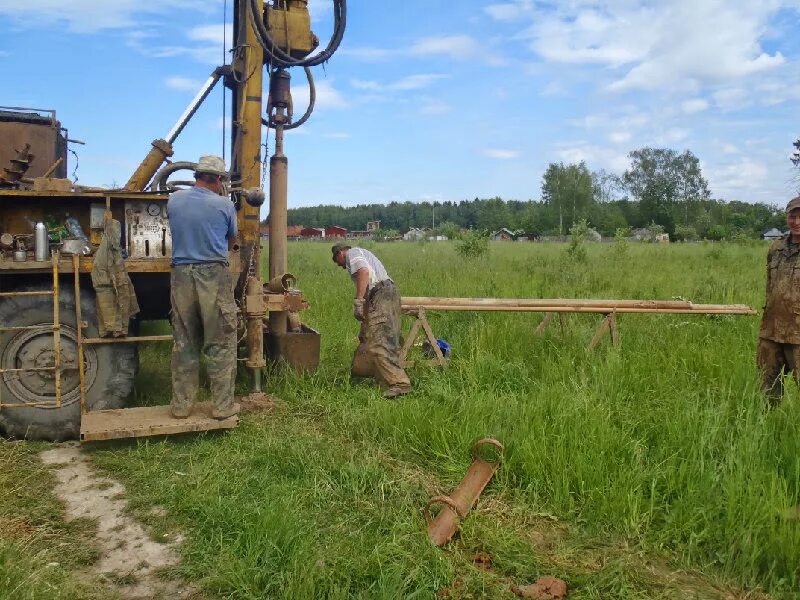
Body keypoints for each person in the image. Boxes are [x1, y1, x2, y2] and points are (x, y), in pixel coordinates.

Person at [167, 155, 239, 419]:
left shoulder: (174, 200)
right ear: (219, 179)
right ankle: (222, 407)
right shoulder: (225, 205)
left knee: (184, 342)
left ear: (196, 176)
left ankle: (181, 406)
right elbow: (231, 240)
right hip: (213, 276)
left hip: (181, 275)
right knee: (220, 340)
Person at [332, 243, 411, 398]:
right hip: (387, 293)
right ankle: (385, 380)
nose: (339, 265)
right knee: (388, 339)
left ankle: (400, 384)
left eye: (337, 261)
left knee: (379, 342)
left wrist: (358, 301)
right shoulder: (364, 255)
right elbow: (369, 292)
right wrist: (365, 323)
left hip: (381, 295)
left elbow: (364, 272)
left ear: (340, 253)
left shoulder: (352, 254)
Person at [757, 195, 800, 404]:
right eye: (792, 216)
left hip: (798, 334)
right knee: (767, 390)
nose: (797, 222)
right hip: (771, 332)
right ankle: (768, 422)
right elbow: (770, 285)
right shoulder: (775, 248)